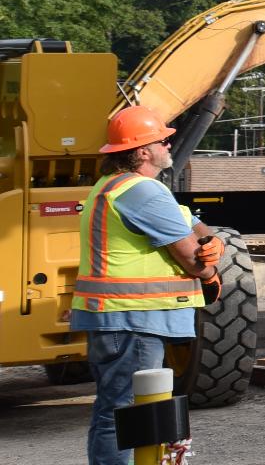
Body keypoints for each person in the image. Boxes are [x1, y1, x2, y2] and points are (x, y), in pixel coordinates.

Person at [74, 105, 222, 465]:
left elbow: (190, 221)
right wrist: (209, 272)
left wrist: (208, 237)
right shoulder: (143, 192)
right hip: (133, 319)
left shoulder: (115, 186)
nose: (169, 146)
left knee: (116, 408)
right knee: (128, 410)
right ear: (142, 151)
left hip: (118, 320)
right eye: (162, 141)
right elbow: (190, 256)